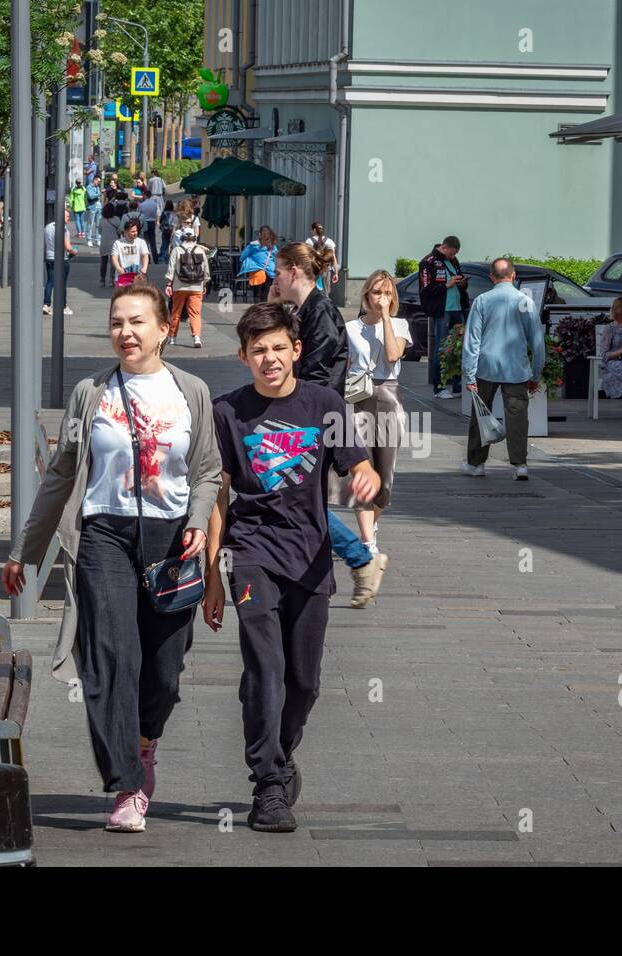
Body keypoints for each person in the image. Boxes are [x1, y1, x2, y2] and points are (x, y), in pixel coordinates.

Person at [2, 280, 221, 833]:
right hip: (104, 538)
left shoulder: (191, 391)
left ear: (164, 329)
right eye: (117, 323)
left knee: (164, 670)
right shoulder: (90, 394)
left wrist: (197, 522)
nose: (125, 332)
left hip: (172, 541)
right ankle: (126, 784)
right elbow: (60, 474)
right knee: (111, 655)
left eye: (137, 322)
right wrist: (23, 551)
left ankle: (144, 744)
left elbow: (209, 471)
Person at [202, 302, 381, 832]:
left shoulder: (324, 402)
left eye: (279, 347)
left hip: (309, 558)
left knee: (304, 681)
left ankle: (279, 749)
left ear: (296, 350)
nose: (270, 358)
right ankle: (269, 785)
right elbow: (217, 494)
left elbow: (358, 462)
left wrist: (367, 478)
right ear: (243, 356)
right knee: (266, 667)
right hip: (250, 553)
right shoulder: (226, 411)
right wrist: (214, 575)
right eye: (259, 350)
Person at [269, 241, 388, 607]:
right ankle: (350, 560)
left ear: (293, 271)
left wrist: (291, 414)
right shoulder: (308, 309)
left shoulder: (320, 311)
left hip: (309, 420)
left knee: (296, 498)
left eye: (278, 271)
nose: (275, 278)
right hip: (307, 418)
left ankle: (360, 558)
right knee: (298, 498)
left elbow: (316, 374)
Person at [345, 270, 410, 564]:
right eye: (376, 293)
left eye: (387, 293)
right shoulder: (349, 328)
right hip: (357, 400)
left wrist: (385, 319)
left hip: (389, 398)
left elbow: (393, 357)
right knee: (362, 473)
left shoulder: (399, 325)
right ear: (365, 296)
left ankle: (372, 524)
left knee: (385, 481)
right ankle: (368, 541)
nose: (381, 299)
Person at [461, 257, 544, 480]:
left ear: (491, 277)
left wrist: (469, 374)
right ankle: (520, 465)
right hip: (516, 368)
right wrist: (536, 373)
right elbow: (537, 342)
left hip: (486, 365)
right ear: (513, 275)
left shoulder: (481, 301)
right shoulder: (525, 302)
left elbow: (472, 340)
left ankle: (476, 464)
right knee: (517, 416)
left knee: (481, 413)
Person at [418, 236, 469, 398]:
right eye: (451, 254)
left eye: (455, 255)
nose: (453, 257)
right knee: (442, 349)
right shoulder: (428, 262)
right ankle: (439, 388)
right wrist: (446, 285)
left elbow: (459, 278)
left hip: (457, 308)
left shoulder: (453, 261)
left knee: (459, 348)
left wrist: (462, 283)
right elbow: (425, 290)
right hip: (442, 311)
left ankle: (457, 386)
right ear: (445, 247)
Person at [166, 229, 210, 348]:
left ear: (182, 238)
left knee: (176, 312)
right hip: (197, 286)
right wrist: (204, 284)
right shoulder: (200, 250)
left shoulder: (177, 250)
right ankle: (196, 337)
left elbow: (171, 269)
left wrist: (168, 284)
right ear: (194, 238)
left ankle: (172, 338)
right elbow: (206, 270)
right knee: (195, 313)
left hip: (179, 286)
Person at [44, 208, 75, 316]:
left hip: (49, 257)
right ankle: (63, 306)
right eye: (67, 216)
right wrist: (74, 251)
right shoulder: (64, 229)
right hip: (61, 259)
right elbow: (67, 247)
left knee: (50, 281)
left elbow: (45, 243)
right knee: (62, 283)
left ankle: (46, 304)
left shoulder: (48, 227)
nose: (69, 218)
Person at [240, 225, 278, 303]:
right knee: (266, 294)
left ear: (260, 234)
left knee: (257, 294)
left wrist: (250, 261)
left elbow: (242, 257)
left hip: (257, 272)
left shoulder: (253, 246)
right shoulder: (273, 246)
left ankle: (258, 311)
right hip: (270, 273)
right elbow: (277, 259)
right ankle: (264, 311)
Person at [111, 218, 150, 287]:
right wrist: (118, 268)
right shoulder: (118, 243)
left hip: (138, 275)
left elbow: (145, 256)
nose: (135, 233)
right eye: (132, 231)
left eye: (136, 231)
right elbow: (114, 257)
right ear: (125, 232)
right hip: (123, 274)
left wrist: (144, 268)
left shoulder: (141, 242)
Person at [304, 221, 339, 292]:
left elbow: (306, 257)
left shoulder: (309, 241)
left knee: (313, 292)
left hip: (314, 270)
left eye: (311, 230)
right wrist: (336, 273)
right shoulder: (329, 241)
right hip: (326, 270)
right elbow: (333, 258)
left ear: (314, 230)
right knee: (326, 292)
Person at [98, 198, 124, 287]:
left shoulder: (101, 220)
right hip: (114, 243)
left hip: (104, 242)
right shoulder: (116, 219)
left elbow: (99, 231)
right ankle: (111, 279)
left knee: (103, 262)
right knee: (113, 262)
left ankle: (102, 279)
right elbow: (120, 231)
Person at [138, 188, 160, 262]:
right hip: (152, 222)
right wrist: (157, 221)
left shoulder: (142, 205)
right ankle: (156, 258)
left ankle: (148, 259)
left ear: (145, 195)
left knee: (146, 241)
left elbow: (139, 215)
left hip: (145, 222)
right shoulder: (154, 204)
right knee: (153, 241)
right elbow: (157, 214)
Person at [85, 175, 103, 249]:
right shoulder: (89, 187)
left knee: (98, 224)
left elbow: (98, 197)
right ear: (94, 180)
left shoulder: (97, 187)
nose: (99, 183)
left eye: (99, 182)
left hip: (99, 207)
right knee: (90, 224)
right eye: (98, 181)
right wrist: (99, 193)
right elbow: (91, 196)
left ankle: (98, 239)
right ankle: (89, 239)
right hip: (92, 207)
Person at [159, 200, 178, 264]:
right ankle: (170, 258)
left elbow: (160, 221)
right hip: (172, 230)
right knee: (171, 244)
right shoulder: (174, 213)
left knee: (164, 243)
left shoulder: (164, 212)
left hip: (165, 230)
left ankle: (164, 258)